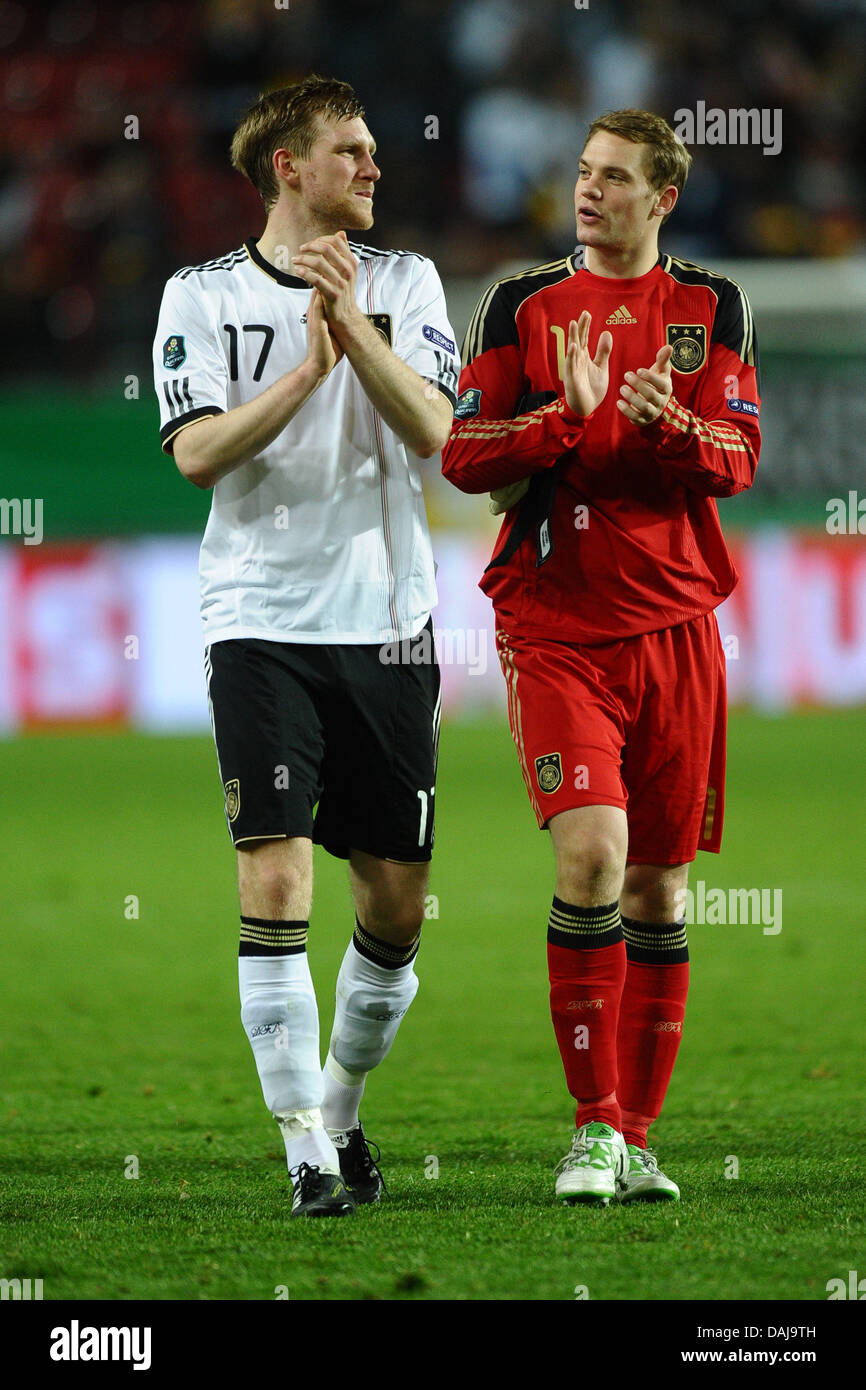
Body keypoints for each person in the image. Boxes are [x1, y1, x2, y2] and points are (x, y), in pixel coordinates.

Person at [442, 108, 760, 1206]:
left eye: (614, 178)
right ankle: (586, 1130)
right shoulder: (519, 304)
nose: (588, 192)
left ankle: (633, 1134)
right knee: (590, 859)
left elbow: (738, 455)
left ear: (661, 197)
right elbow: (462, 454)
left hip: (674, 629)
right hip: (554, 626)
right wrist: (558, 424)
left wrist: (669, 425)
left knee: (660, 895)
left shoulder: (710, 307)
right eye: (582, 173)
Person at [153, 75, 458, 1217]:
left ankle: (336, 1106)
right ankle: (302, 1155)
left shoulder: (406, 282)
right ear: (289, 165)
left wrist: (350, 333)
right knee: (273, 875)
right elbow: (196, 456)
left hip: (385, 622)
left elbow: (436, 431)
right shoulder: (198, 295)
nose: (374, 165)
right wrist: (304, 368)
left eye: (374, 147)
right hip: (258, 619)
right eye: (352, 148)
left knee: (396, 903)